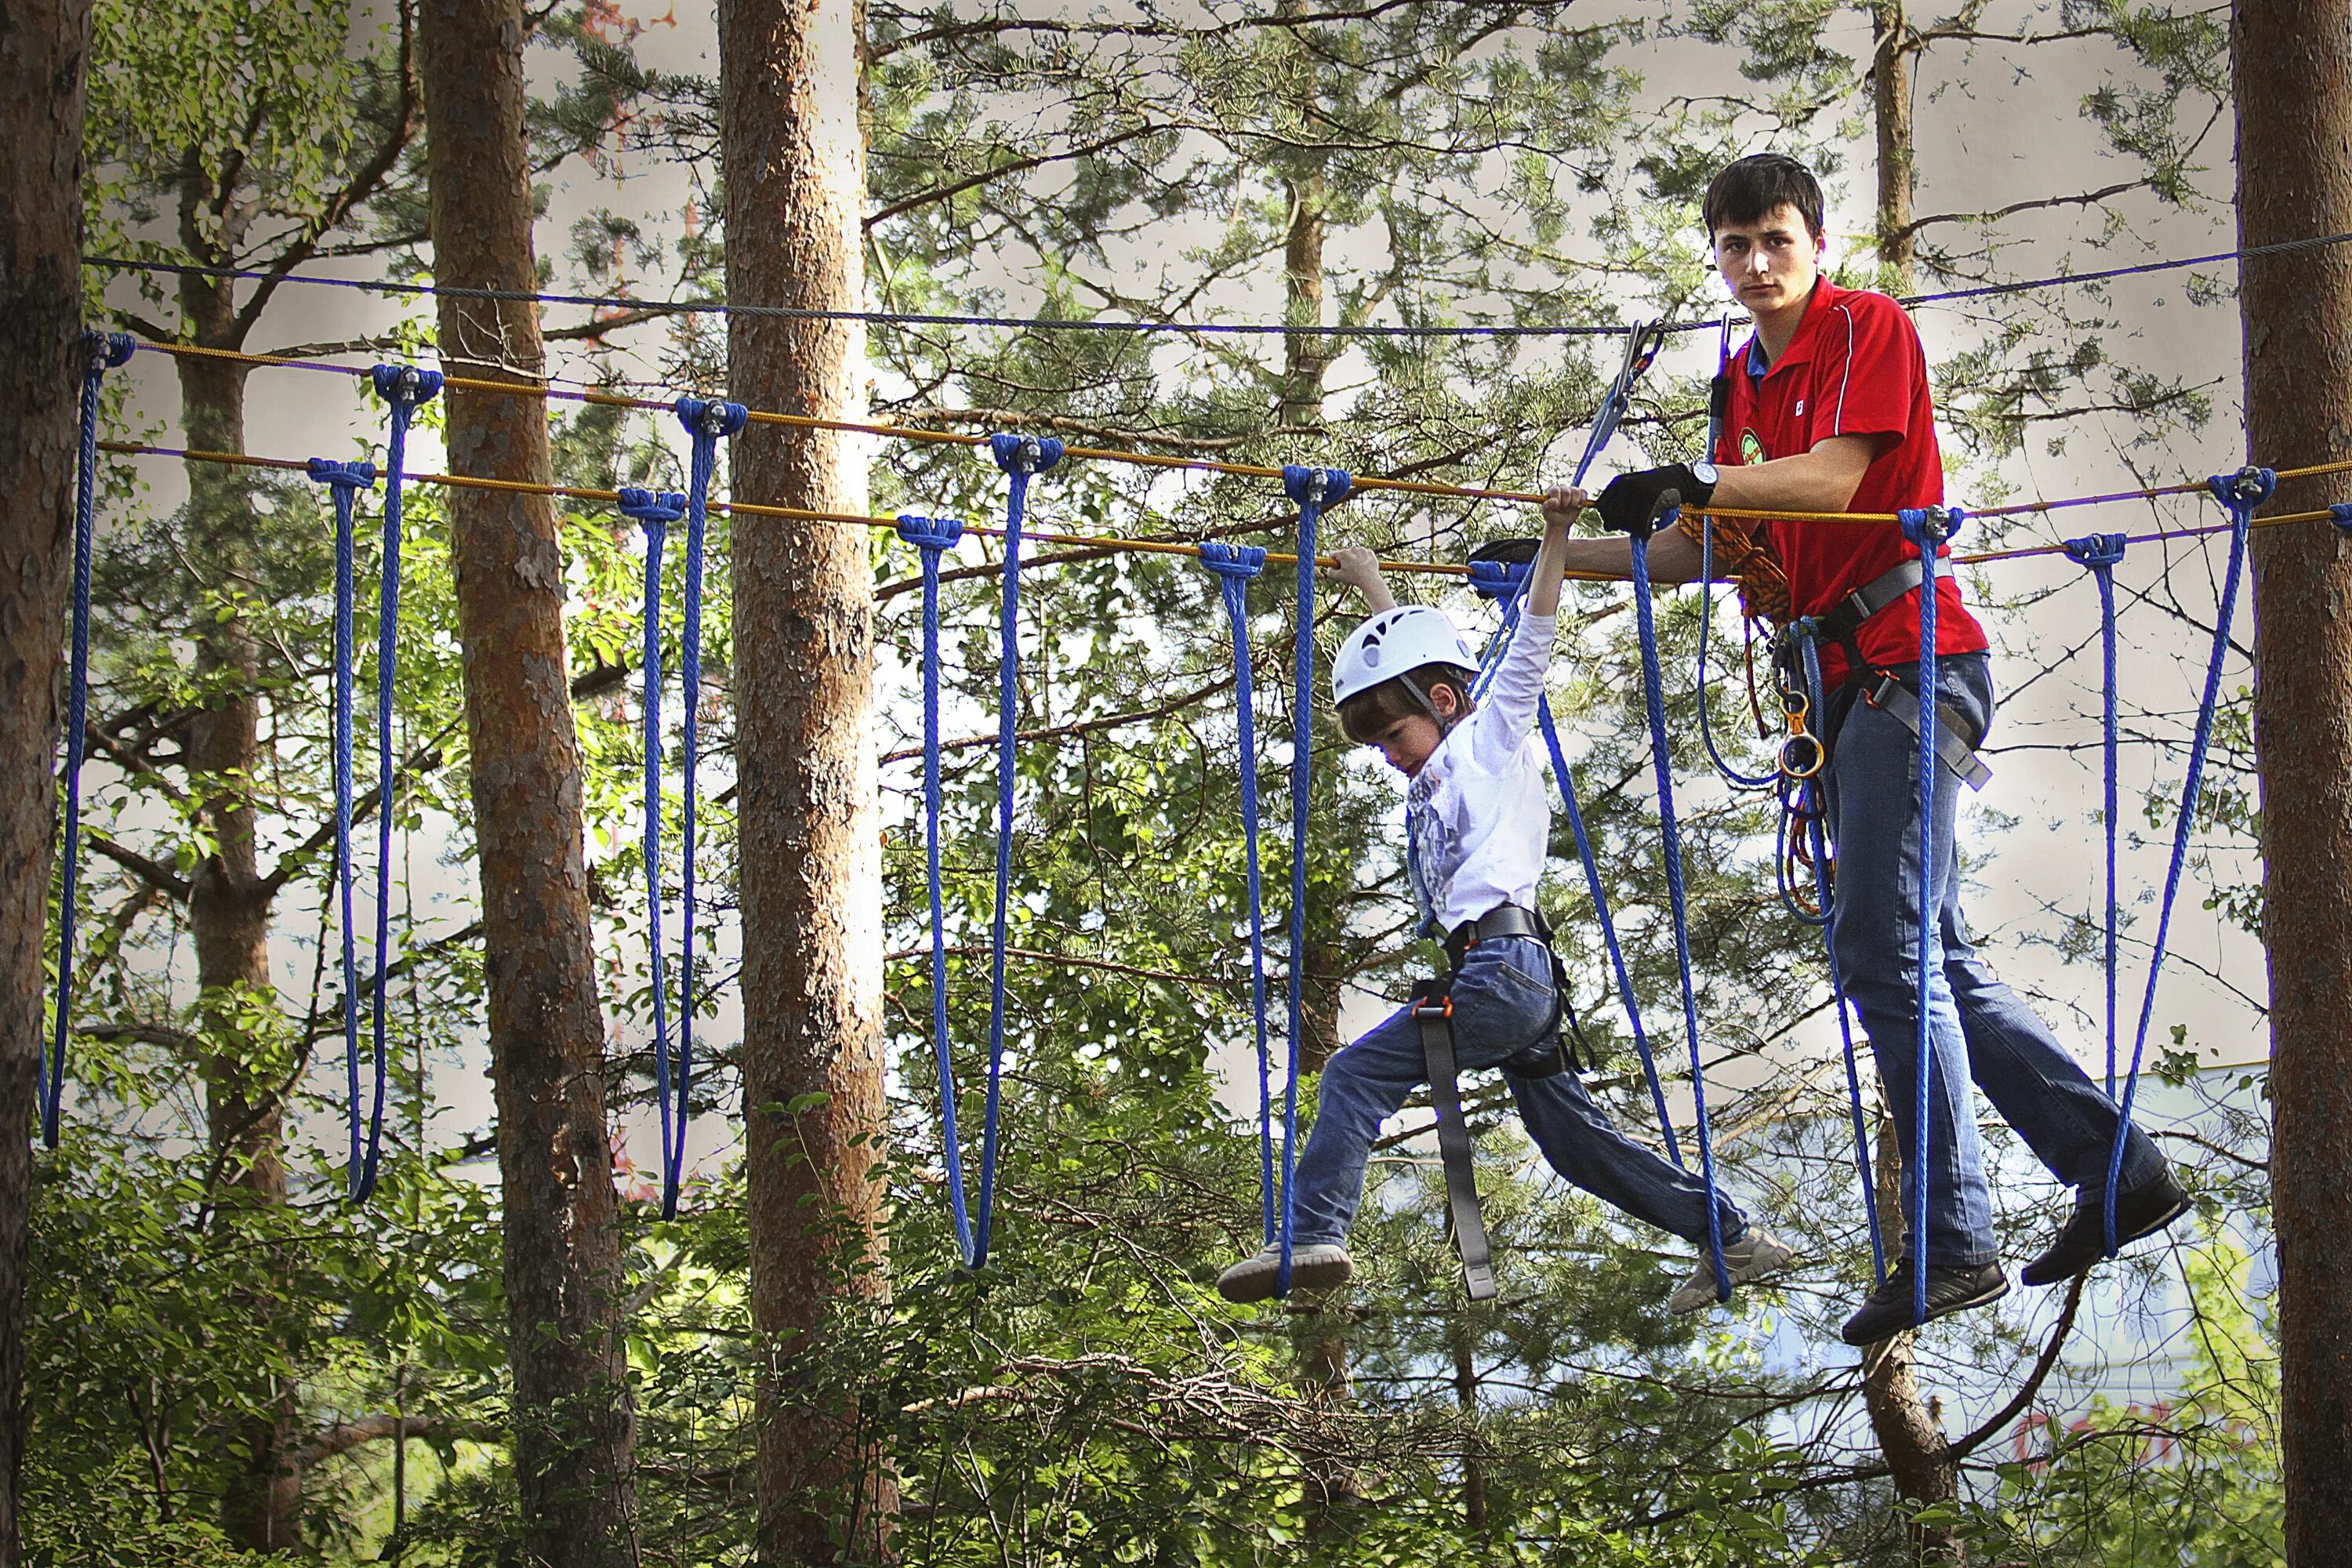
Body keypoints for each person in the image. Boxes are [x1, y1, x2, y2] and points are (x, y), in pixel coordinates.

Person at [1541, 152, 2189, 1346]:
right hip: (1840, 681)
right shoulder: (1740, 381)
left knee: (1884, 953)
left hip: (1910, 655)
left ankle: (1953, 1245)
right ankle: (2118, 1170)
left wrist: (1698, 479)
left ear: (1817, 243)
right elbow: (1717, 552)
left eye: (1774, 239)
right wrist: (1553, 561)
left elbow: (1837, 486)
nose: (1754, 265)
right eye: (1733, 246)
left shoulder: (1865, 327)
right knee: (1932, 951)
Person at [1215, 506, 1795, 1312]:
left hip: (1505, 970)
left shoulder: (1489, 739)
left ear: (1447, 702)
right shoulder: (1442, 756)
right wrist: (1373, 584)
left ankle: (1313, 1229)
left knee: (1352, 1073)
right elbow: (1416, 657)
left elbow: (1531, 638)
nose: (1389, 754)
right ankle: (1728, 1233)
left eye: (1394, 735)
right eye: (1378, 742)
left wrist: (1556, 535)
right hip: (1508, 977)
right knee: (1574, 1145)